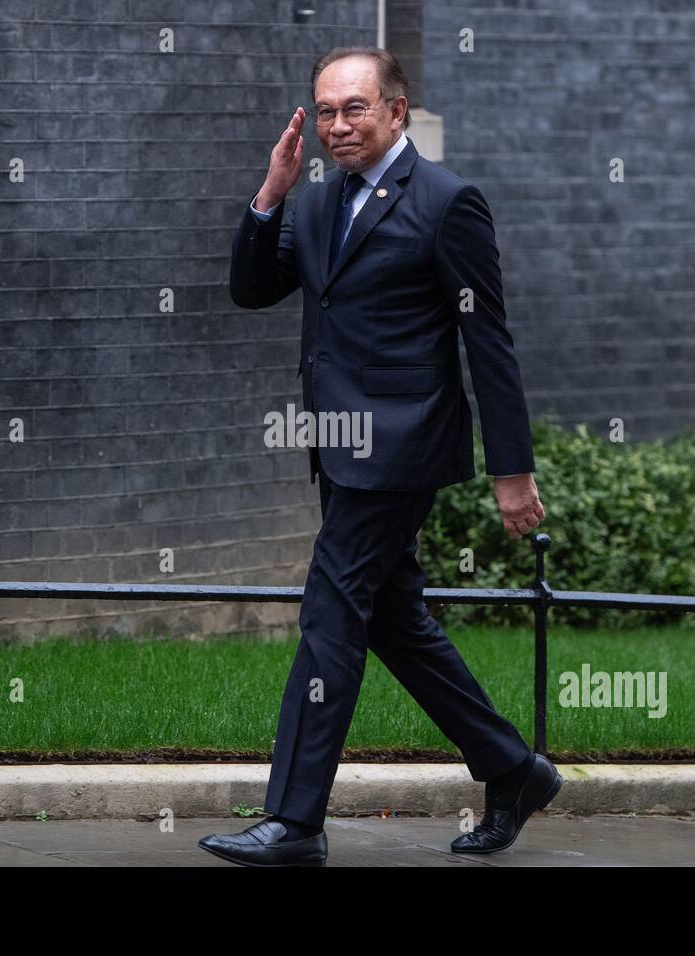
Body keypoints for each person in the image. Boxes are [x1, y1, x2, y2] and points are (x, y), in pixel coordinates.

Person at [199, 46, 561, 867]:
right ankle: (513, 770)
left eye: (354, 108)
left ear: (397, 111)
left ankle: (293, 822)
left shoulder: (447, 203)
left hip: (402, 448)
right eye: (325, 111)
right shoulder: (320, 202)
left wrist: (513, 471)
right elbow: (252, 290)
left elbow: (488, 342)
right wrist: (271, 195)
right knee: (392, 618)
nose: (337, 125)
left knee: (329, 614)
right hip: (337, 448)